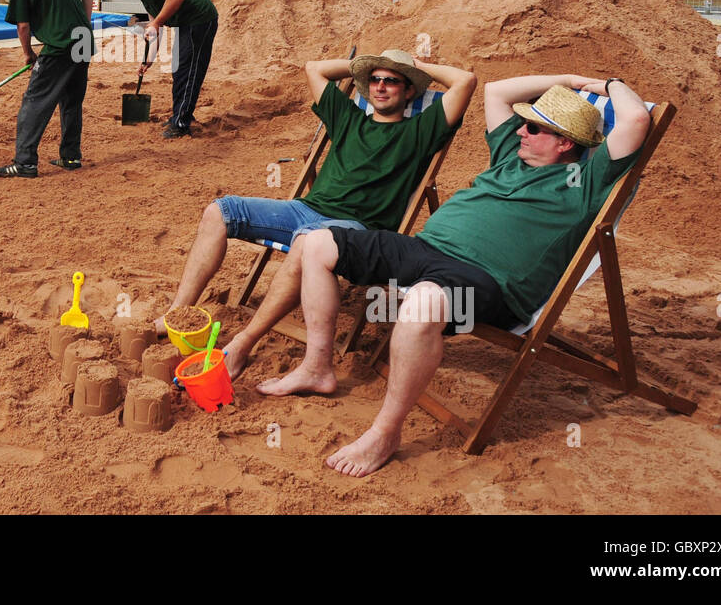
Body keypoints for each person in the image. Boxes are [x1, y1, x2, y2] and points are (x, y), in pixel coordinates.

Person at [222, 74, 650, 477]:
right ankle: (317, 367)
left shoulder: (588, 180)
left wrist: (609, 85)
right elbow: (497, 90)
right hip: (424, 250)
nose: (520, 131)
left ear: (563, 142)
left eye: (533, 128)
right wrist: (571, 82)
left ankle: (385, 432)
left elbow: (635, 118)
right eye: (522, 124)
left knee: (423, 301)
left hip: (489, 283)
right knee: (315, 243)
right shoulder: (508, 156)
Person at [152, 49, 476, 334]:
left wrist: (414, 64)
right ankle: (176, 315)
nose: (380, 86)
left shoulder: (421, 130)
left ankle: (246, 338)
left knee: (307, 243)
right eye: (375, 79)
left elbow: (466, 81)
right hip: (304, 211)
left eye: (391, 80)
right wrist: (362, 65)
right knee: (219, 211)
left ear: (409, 92)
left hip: (354, 230)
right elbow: (313, 68)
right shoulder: (348, 117)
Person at [0, 0, 94, 177]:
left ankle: (24, 163)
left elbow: (23, 26)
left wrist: (28, 54)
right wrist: (85, 23)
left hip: (60, 45)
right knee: (71, 101)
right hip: (83, 40)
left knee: (34, 101)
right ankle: (71, 157)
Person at [112, 0, 220, 139]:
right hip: (188, 24)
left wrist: (155, 23)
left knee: (188, 71)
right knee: (179, 70)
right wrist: (148, 60)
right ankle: (180, 115)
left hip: (200, 19)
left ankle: (181, 123)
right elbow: (157, 30)